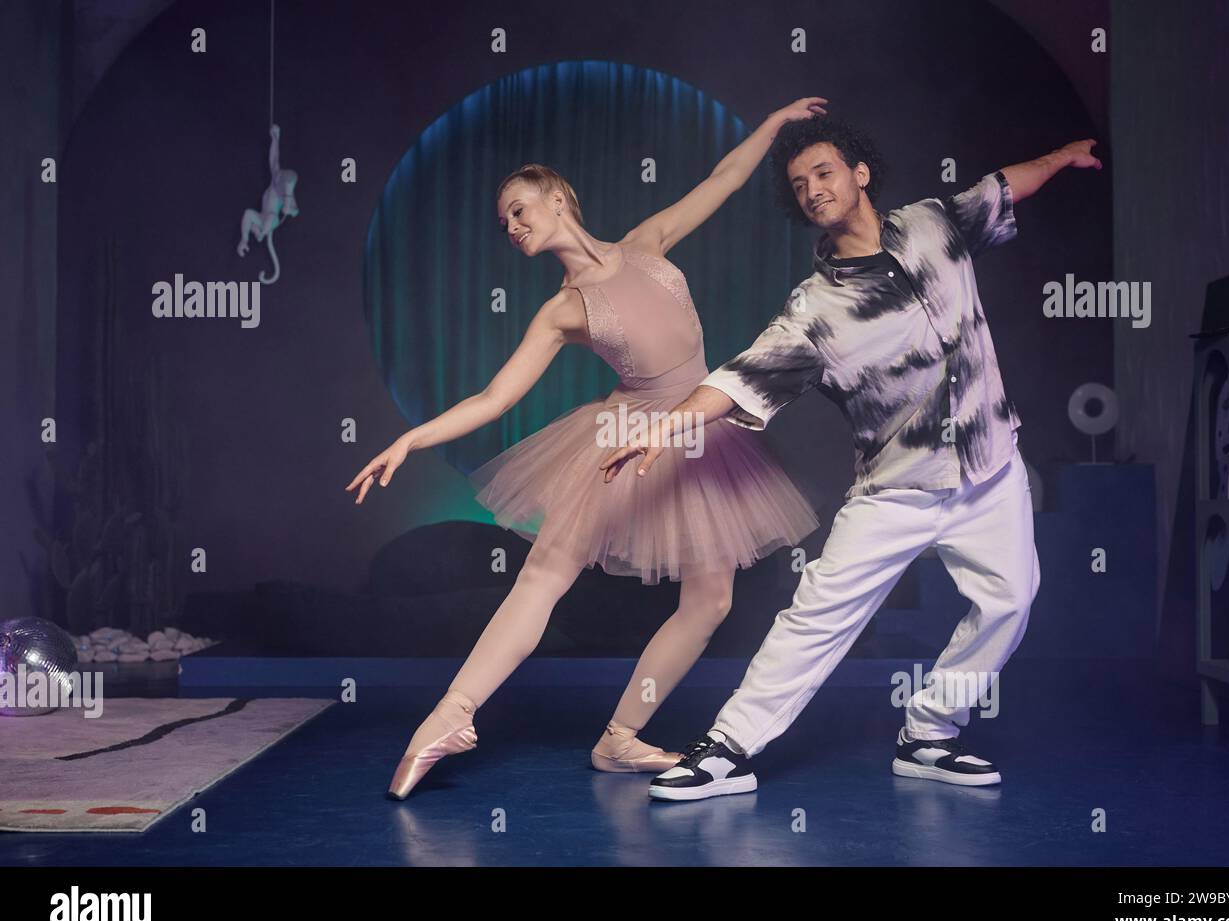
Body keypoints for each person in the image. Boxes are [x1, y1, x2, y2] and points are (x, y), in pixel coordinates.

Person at [599, 115, 1103, 800]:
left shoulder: (933, 224)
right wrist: (663, 426)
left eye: (824, 172)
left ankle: (928, 733)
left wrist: (1060, 152)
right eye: (799, 185)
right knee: (815, 619)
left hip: (990, 471)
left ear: (860, 173)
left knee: (1011, 601)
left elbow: (1003, 188)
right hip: (895, 492)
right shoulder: (815, 309)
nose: (812, 190)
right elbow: (737, 376)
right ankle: (727, 751)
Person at [346, 98, 831, 800]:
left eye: (519, 209)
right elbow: (492, 399)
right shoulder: (562, 310)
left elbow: (725, 178)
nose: (511, 227)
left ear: (558, 199)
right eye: (504, 221)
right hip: (622, 438)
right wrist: (409, 439)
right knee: (545, 573)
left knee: (712, 600)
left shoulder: (647, 243)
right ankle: (447, 717)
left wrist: (775, 123)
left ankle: (619, 738)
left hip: (702, 427)